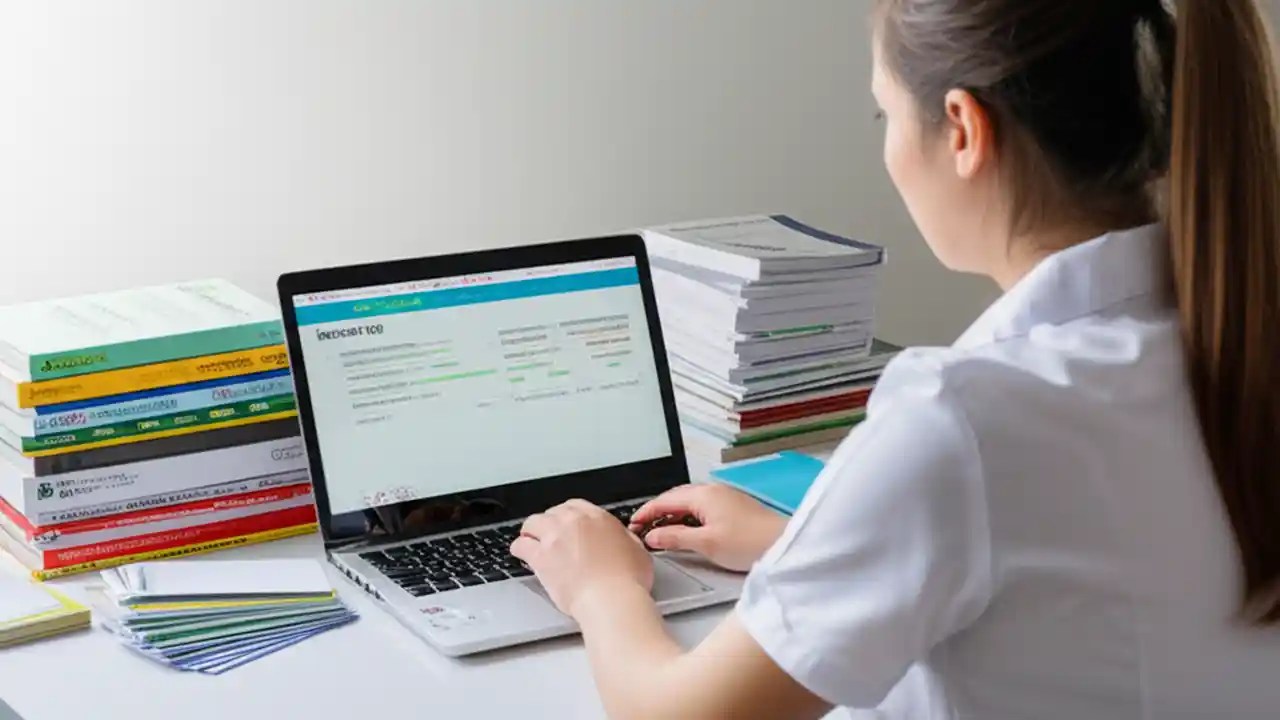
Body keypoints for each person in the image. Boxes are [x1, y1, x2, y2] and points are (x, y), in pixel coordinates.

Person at [509, 0, 1280, 717]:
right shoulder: (1227, 339)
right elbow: (1084, 573)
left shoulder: (963, 416)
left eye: (885, 110)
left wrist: (602, 586)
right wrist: (806, 546)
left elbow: (678, 713)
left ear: (963, 128)